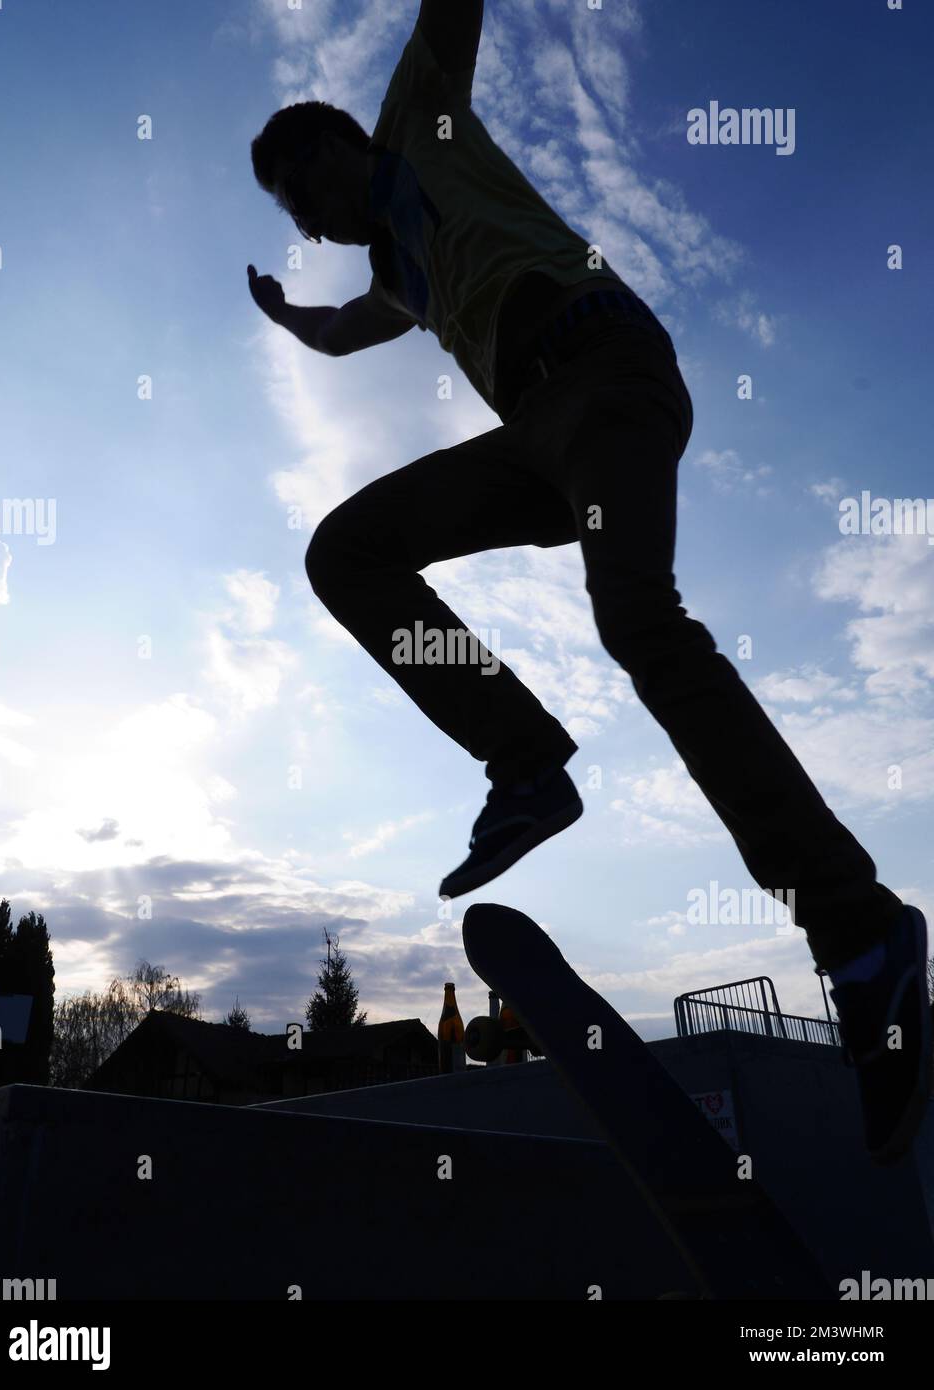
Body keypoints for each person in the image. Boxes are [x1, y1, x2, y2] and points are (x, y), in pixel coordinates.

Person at [247, 1, 931, 1165]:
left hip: (608, 371)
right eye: (294, 218)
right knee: (345, 549)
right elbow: (354, 329)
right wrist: (291, 317)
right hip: (538, 442)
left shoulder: (424, 117)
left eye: (305, 194)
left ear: (340, 143)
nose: (309, 221)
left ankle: (858, 928)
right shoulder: (401, 269)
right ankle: (524, 760)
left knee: (639, 619)